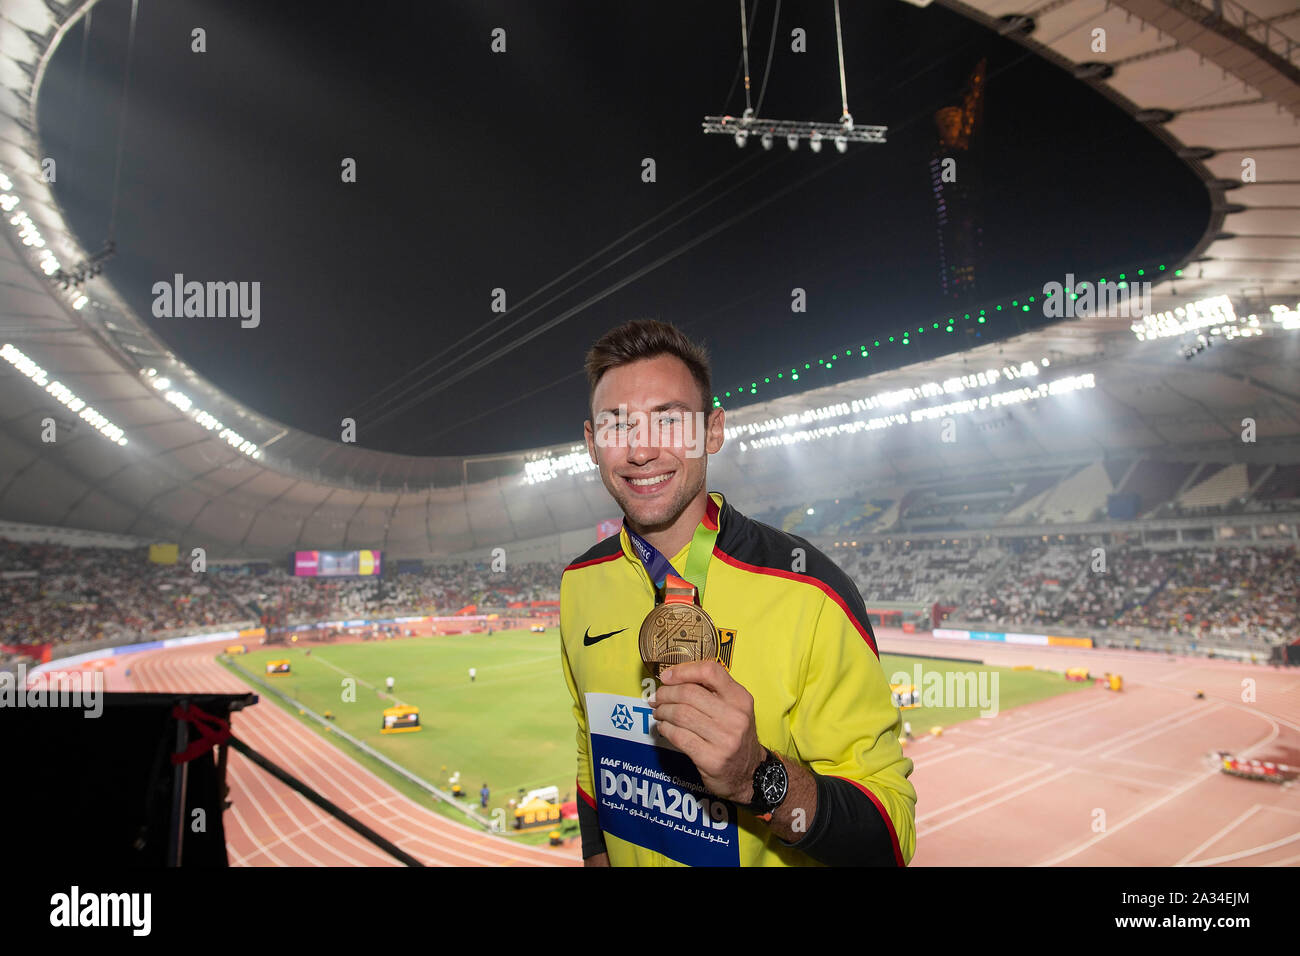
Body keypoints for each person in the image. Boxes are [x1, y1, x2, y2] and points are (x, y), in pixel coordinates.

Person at [560, 320, 915, 867]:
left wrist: (758, 777)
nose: (640, 450)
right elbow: (591, 751)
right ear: (592, 444)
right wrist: (596, 855)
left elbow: (890, 838)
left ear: (713, 431)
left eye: (669, 421)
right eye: (617, 425)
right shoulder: (579, 584)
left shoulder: (812, 592)